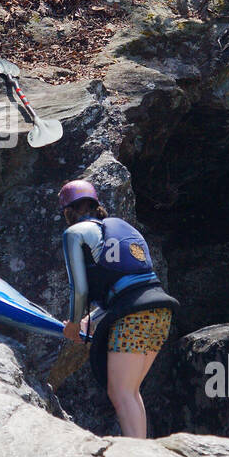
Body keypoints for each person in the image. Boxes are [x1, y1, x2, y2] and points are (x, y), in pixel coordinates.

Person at [58, 179, 179, 438]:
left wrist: (73, 321)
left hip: (134, 316)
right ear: (96, 205)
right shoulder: (122, 228)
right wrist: (89, 318)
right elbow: (123, 286)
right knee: (130, 391)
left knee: (121, 392)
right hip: (160, 311)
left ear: (68, 212)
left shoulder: (74, 233)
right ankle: (142, 451)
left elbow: (79, 289)